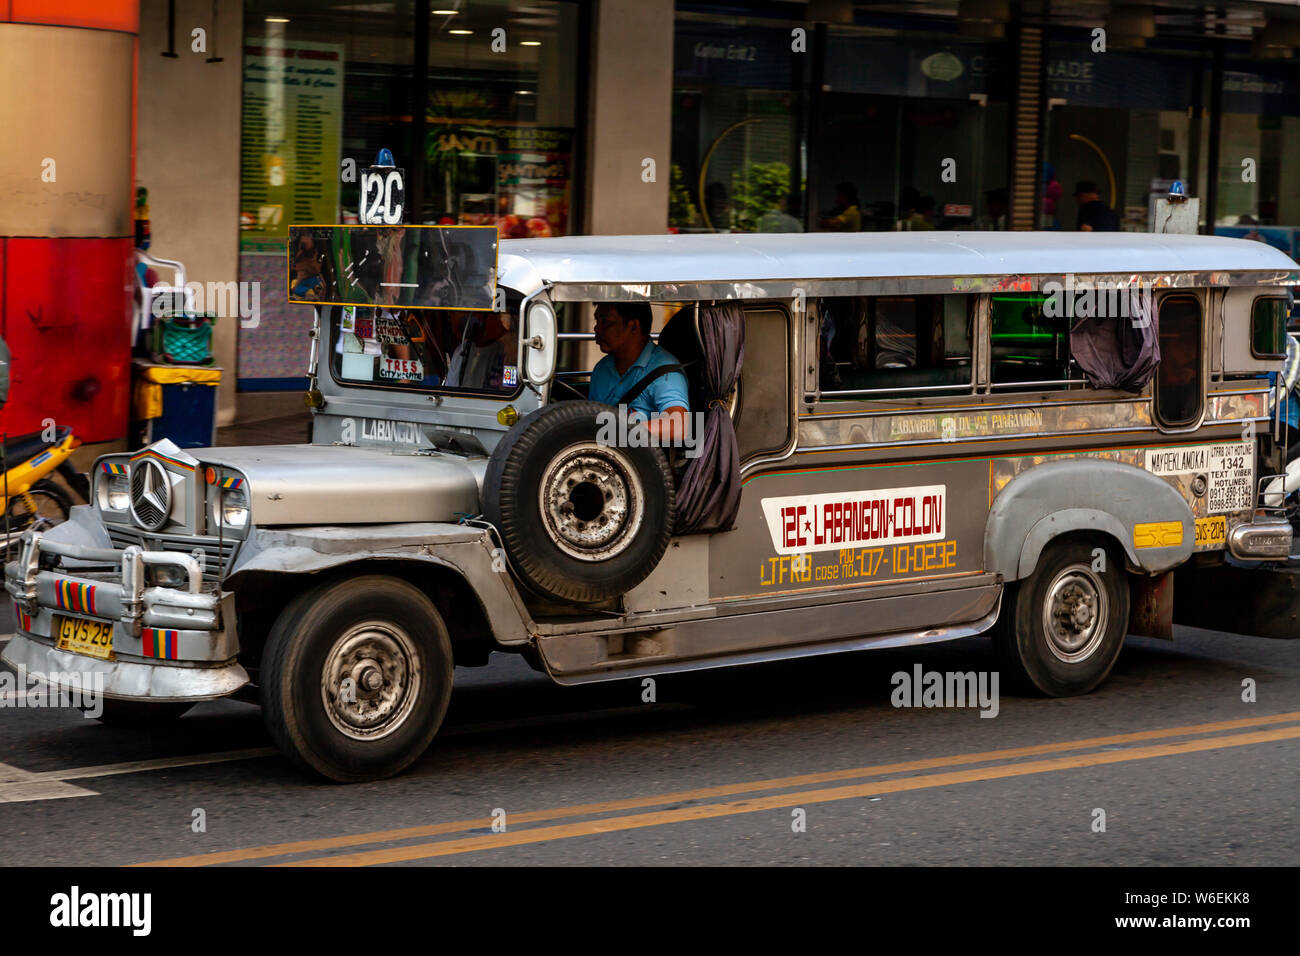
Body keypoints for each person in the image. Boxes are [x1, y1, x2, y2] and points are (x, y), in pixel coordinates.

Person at [589, 302, 690, 443]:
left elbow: (678, 426)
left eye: (606, 322)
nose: (597, 328)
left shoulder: (665, 371)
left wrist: (621, 432)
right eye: (597, 320)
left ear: (634, 326)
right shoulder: (601, 369)